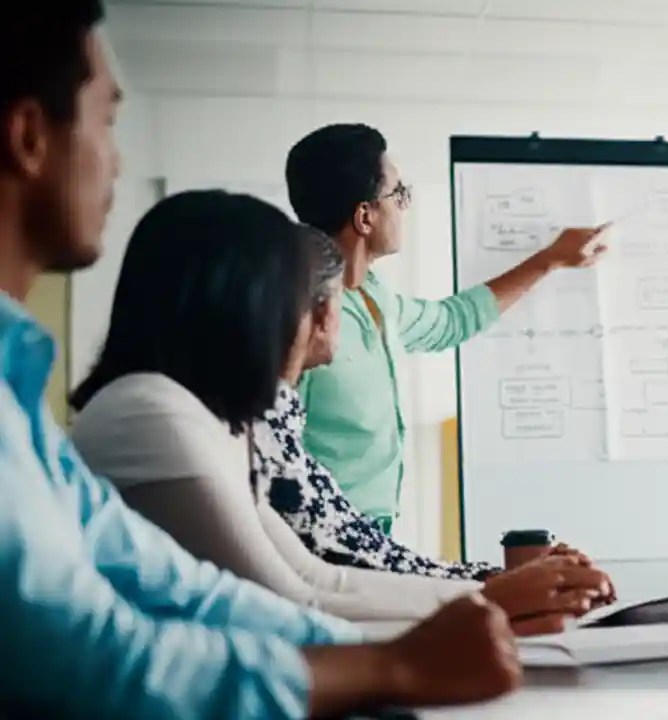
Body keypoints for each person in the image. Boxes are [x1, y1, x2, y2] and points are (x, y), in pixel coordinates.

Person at [0, 4, 518, 716]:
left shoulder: (24, 395)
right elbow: (99, 657)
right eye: (108, 121)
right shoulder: (147, 410)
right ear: (30, 135)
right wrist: (402, 660)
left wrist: (436, 632)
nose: (115, 157)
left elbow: (201, 589)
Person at [69, 190, 611, 631]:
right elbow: (293, 600)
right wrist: (494, 598)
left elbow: (319, 580)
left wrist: (496, 594)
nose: (319, 315)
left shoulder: (205, 420)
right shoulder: (150, 412)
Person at [285, 124, 608, 529]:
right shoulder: (300, 317)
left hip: (375, 531)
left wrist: (549, 260)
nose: (405, 207)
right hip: (319, 538)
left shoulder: (374, 296)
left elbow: (452, 321)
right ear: (365, 216)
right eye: (399, 195)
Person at [255, 223, 500, 579]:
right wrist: (488, 582)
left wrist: (490, 577)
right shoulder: (264, 435)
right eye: (398, 195)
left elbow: (373, 555)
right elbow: (334, 571)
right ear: (324, 314)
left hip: (367, 541)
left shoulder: (379, 297)